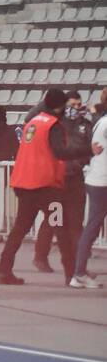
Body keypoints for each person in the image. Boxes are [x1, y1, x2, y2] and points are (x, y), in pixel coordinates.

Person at [0, 89, 77, 285]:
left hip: (25, 185)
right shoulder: (53, 126)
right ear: (59, 106)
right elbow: (60, 152)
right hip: (46, 188)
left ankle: (3, 270)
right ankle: (72, 274)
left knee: (19, 229)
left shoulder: (33, 122)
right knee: (61, 229)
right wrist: (86, 150)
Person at [31, 92, 92, 275]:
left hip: (76, 180)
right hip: (56, 181)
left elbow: (93, 141)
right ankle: (40, 257)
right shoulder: (55, 124)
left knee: (76, 224)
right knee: (53, 221)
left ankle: (79, 267)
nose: (76, 108)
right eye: (72, 104)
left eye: (79, 104)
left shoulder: (85, 124)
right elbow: (29, 118)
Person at [70, 98, 107, 288]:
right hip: (102, 182)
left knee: (92, 228)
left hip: (98, 179)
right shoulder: (105, 123)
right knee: (92, 228)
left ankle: (79, 272)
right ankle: (78, 273)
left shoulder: (101, 121)